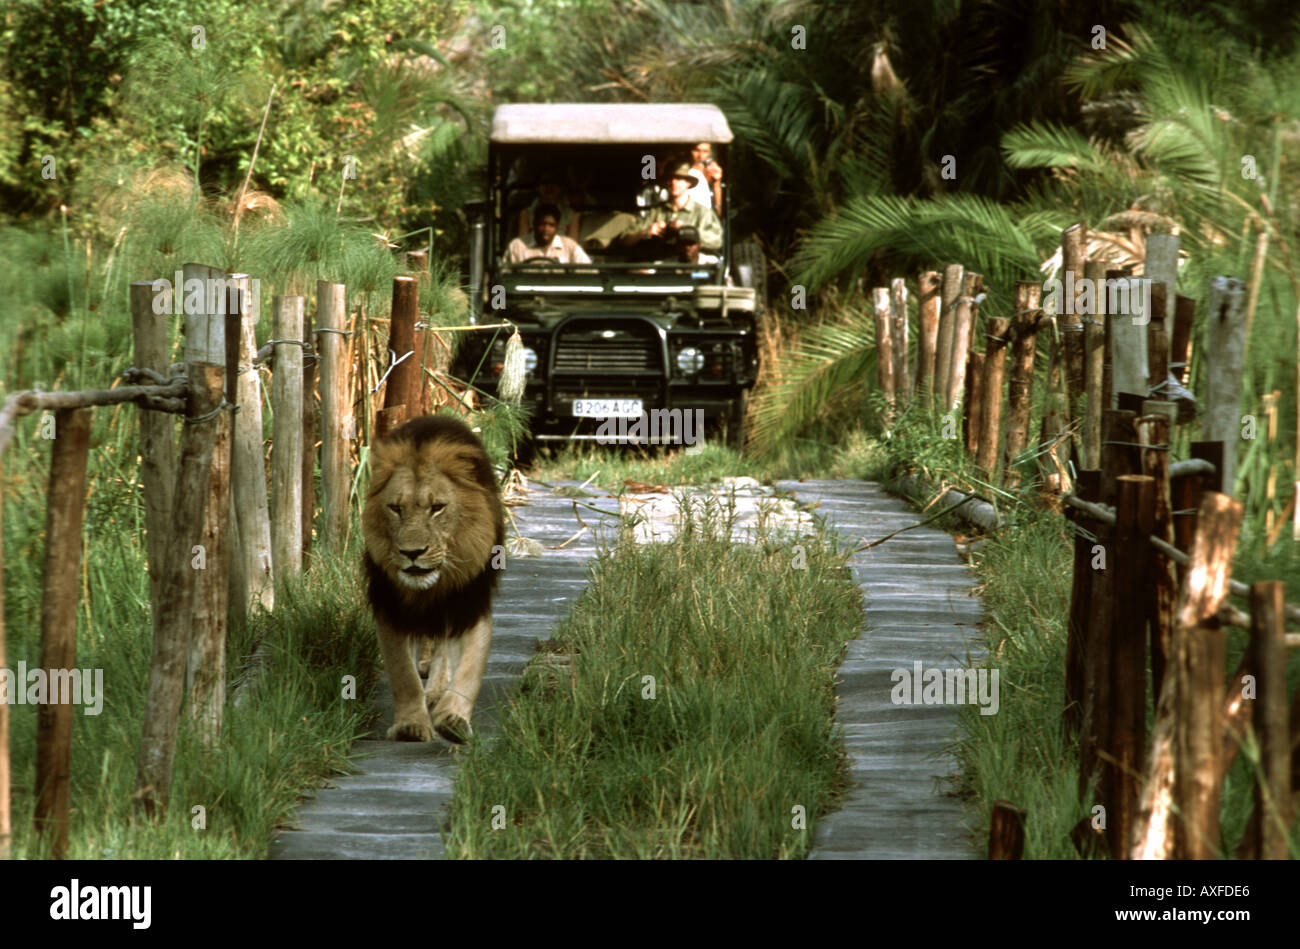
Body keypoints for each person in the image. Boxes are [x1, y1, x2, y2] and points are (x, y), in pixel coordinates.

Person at [620, 161, 722, 253]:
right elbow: (625, 239)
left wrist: (687, 231)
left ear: (688, 183)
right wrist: (646, 232)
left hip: (690, 265)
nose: (673, 183)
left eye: (678, 179)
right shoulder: (656, 211)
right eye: (670, 179)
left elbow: (717, 240)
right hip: (658, 265)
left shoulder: (702, 212)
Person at [504, 204, 591, 264]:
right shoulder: (517, 246)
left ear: (557, 227)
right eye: (542, 224)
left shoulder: (570, 246)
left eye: (551, 225)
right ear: (534, 224)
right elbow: (504, 276)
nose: (546, 229)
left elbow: (588, 271)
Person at [517, 169, 580, 241]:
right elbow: (523, 242)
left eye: (554, 182)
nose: (550, 186)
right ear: (537, 187)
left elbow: (572, 244)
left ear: (560, 187)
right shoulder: (526, 213)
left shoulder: (571, 214)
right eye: (545, 182)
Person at [689, 142, 723, 214]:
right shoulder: (684, 168)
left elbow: (717, 189)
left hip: (704, 213)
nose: (700, 156)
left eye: (705, 151)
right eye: (697, 150)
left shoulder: (711, 168)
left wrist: (717, 181)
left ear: (709, 153)